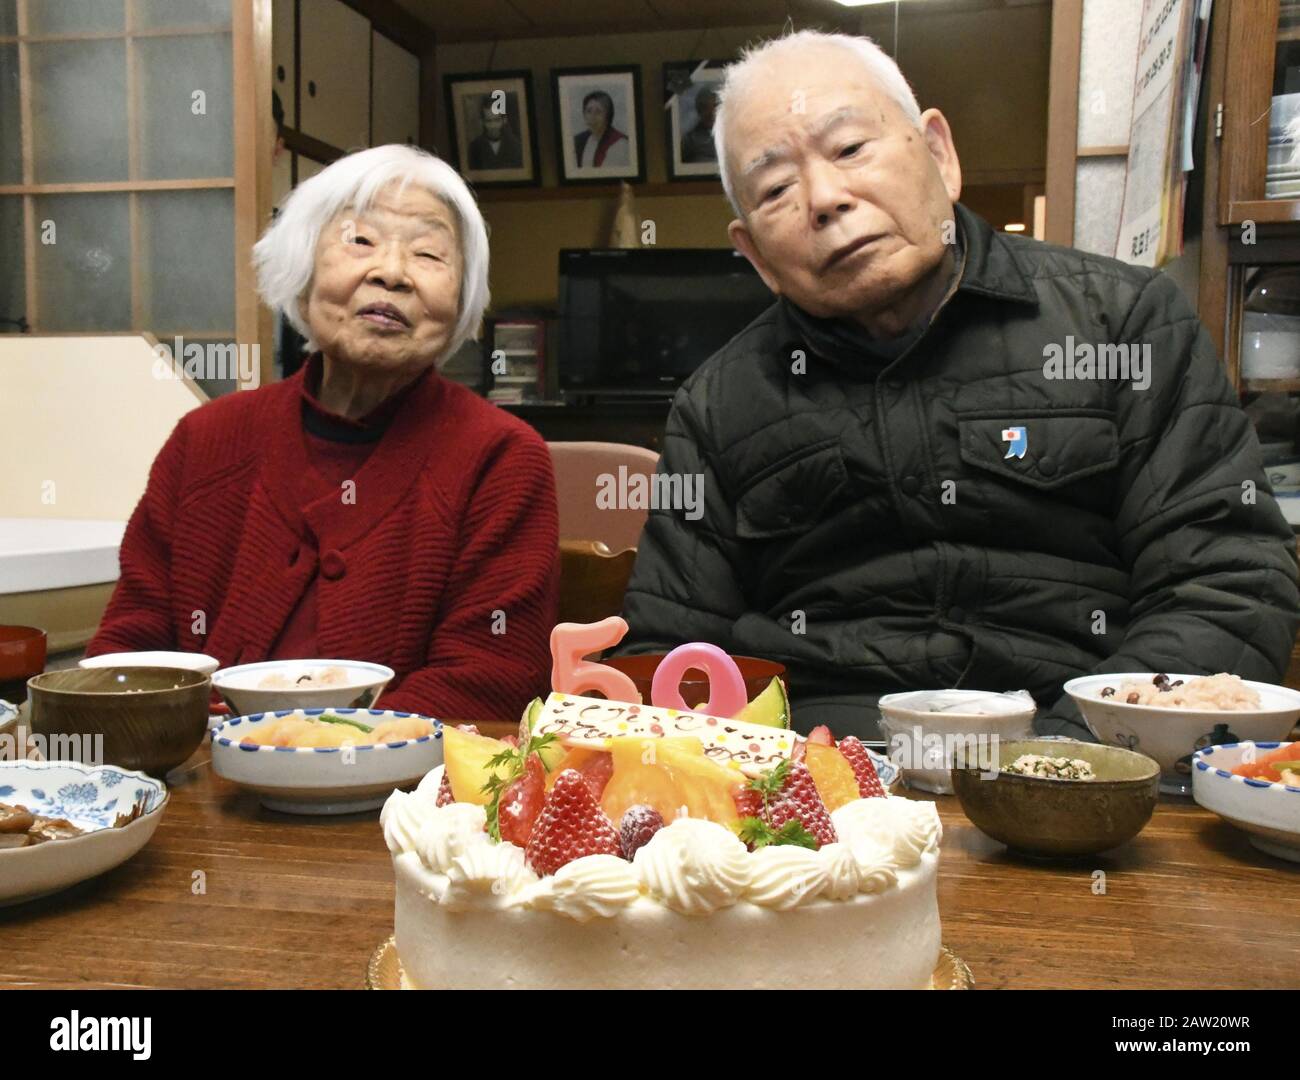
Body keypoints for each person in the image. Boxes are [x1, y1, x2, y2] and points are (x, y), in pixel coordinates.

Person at [619, 30, 1300, 740]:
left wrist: (1066, 758)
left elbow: (1230, 584)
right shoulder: (716, 404)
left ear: (939, 154)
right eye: (776, 189)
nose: (824, 198)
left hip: (1096, 759)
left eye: (850, 148)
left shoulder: (1122, 325)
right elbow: (669, 651)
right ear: (755, 254)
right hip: (824, 785)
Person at [86, 145, 559, 722]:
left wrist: (315, 748)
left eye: (429, 253)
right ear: (302, 268)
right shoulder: (206, 440)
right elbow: (127, 653)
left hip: (400, 803)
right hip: (193, 790)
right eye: (360, 241)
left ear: (461, 300)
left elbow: (492, 681)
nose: (391, 271)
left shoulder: (500, 457)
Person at [574, 90, 628, 168]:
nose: (592, 117)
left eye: (598, 112)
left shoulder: (620, 144)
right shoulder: (578, 140)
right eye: (588, 111)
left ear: (608, 116)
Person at [467, 97, 523, 170]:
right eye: (489, 121)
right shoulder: (474, 147)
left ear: (504, 120)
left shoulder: (516, 146)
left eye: (497, 120)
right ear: (482, 122)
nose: (493, 126)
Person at [680, 85, 719, 164]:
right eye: (705, 107)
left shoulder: (733, 137)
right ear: (699, 110)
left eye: (715, 106)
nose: (711, 112)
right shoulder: (689, 140)